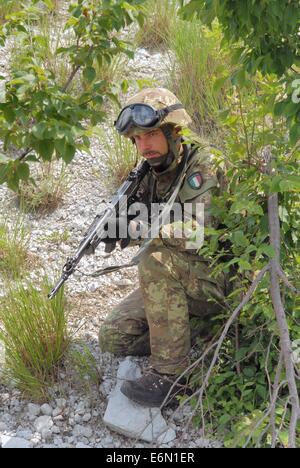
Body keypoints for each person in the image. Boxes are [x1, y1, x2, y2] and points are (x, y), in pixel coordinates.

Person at [98, 88, 226, 407]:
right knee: (114, 336)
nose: (145, 147)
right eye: (137, 140)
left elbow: (201, 232)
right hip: (181, 276)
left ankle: (171, 376)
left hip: (220, 276)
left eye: (152, 134)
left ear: (174, 130)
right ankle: (193, 327)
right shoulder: (151, 171)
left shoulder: (202, 163)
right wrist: (115, 225)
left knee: (153, 260)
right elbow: (132, 214)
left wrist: (138, 229)